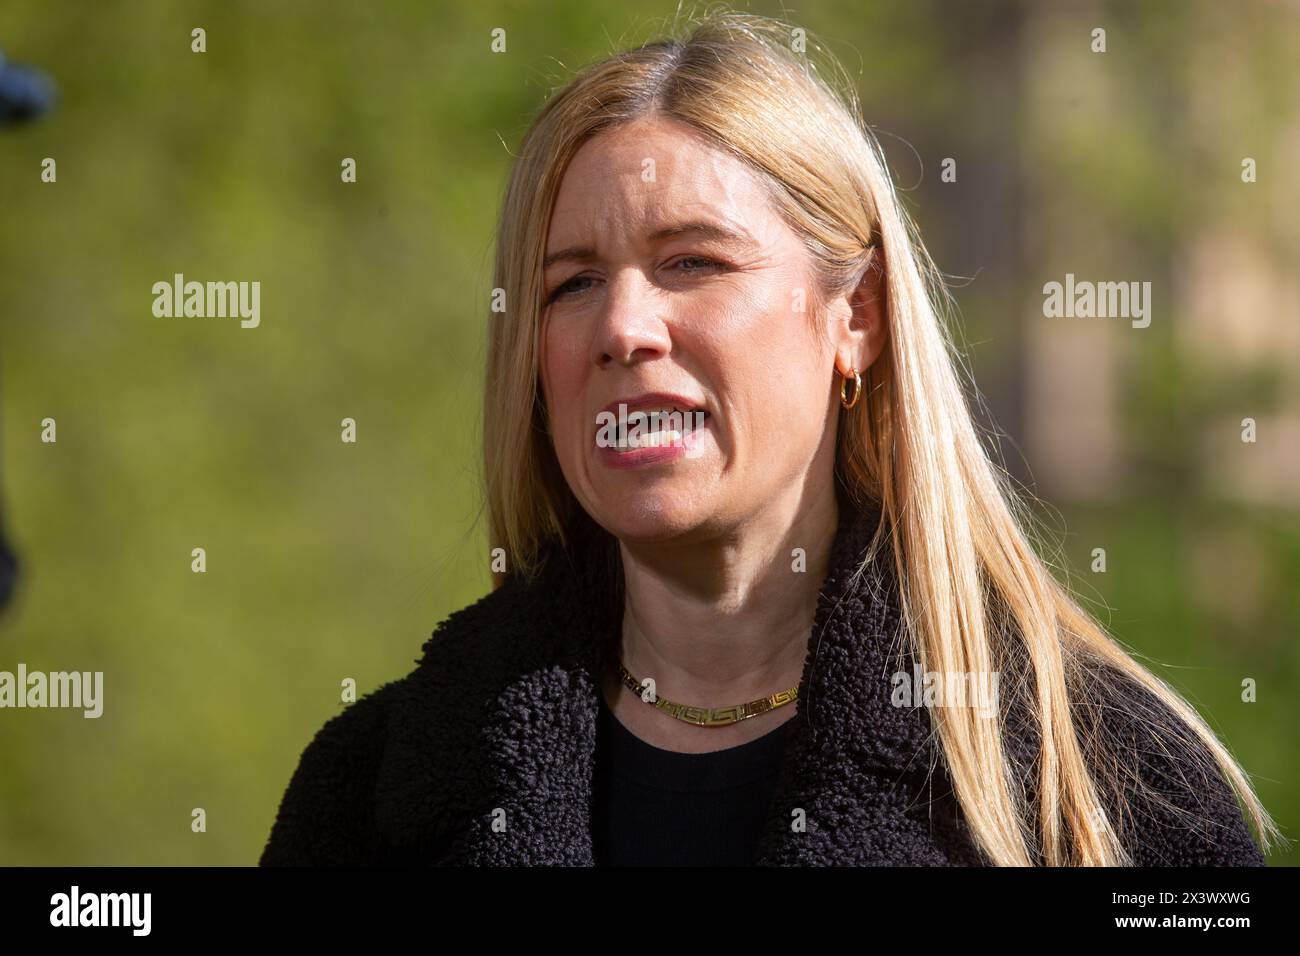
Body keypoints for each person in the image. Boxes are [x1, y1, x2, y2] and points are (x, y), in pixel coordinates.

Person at [261, 11, 1278, 866]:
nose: (623, 326)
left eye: (692, 262)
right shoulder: (371, 795)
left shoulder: (1102, 786)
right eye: (572, 283)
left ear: (856, 317)